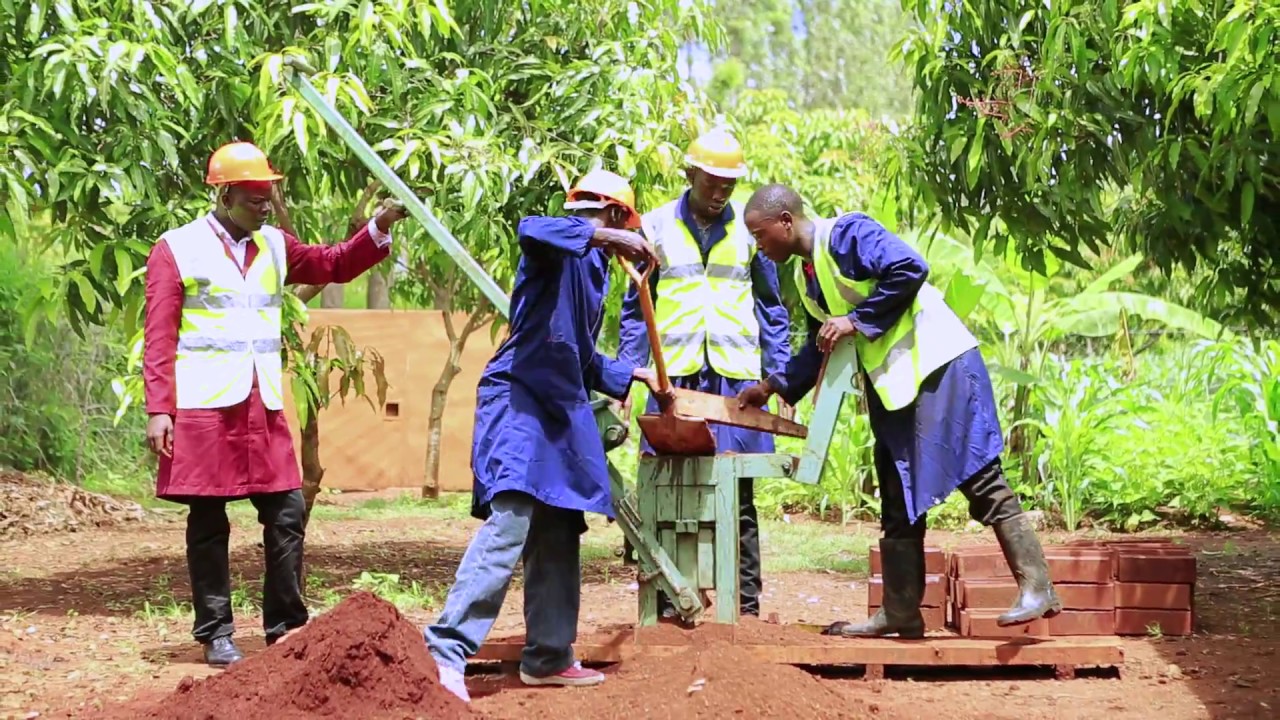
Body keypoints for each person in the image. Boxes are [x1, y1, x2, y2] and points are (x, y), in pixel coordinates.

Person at [736, 183, 1062, 638]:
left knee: (977, 474)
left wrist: (855, 320)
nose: (760, 245)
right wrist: (771, 386)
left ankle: (1037, 585)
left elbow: (910, 267)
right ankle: (901, 610)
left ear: (786, 222)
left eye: (760, 234)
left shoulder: (848, 235)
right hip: (898, 387)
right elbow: (819, 345)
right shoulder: (807, 275)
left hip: (938, 367)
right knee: (896, 487)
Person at [142, 141, 409, 666]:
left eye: (268, 196)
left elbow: (333, 264)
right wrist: (159, 409)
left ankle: (285, 627)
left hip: (260, 401)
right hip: (203, 404)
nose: (265, 206)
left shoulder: (276, 245)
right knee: (208, 518)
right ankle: (216, 633)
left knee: (286, 511)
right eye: (253, 197)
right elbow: (159, 337)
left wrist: (378, 226)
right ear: (223, 195)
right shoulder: (177, 249)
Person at [424, 169, 670, 703]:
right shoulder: (557, 241)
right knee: (511, 521)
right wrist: (611, 235)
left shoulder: (595, 274)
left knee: (559, 529)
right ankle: (445, 650)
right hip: (518, 403)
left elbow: (576, 354)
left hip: (559, 412)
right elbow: (531, 227)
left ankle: (549, 656)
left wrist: (631, 375)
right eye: (618, 229)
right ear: (611, 217)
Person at [616, 127, 790, 619]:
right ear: (690, 173)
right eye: (712, 180)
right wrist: (630, 374)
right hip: (675, 381)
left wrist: (778, 377)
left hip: (737, 383)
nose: (720, 192)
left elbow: (771, 308)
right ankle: (675, 600)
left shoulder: (750, 232)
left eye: (729, 184)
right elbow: (635, 308)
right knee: (672, 489)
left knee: (738, 494)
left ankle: (746, 605)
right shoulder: (653, 227)